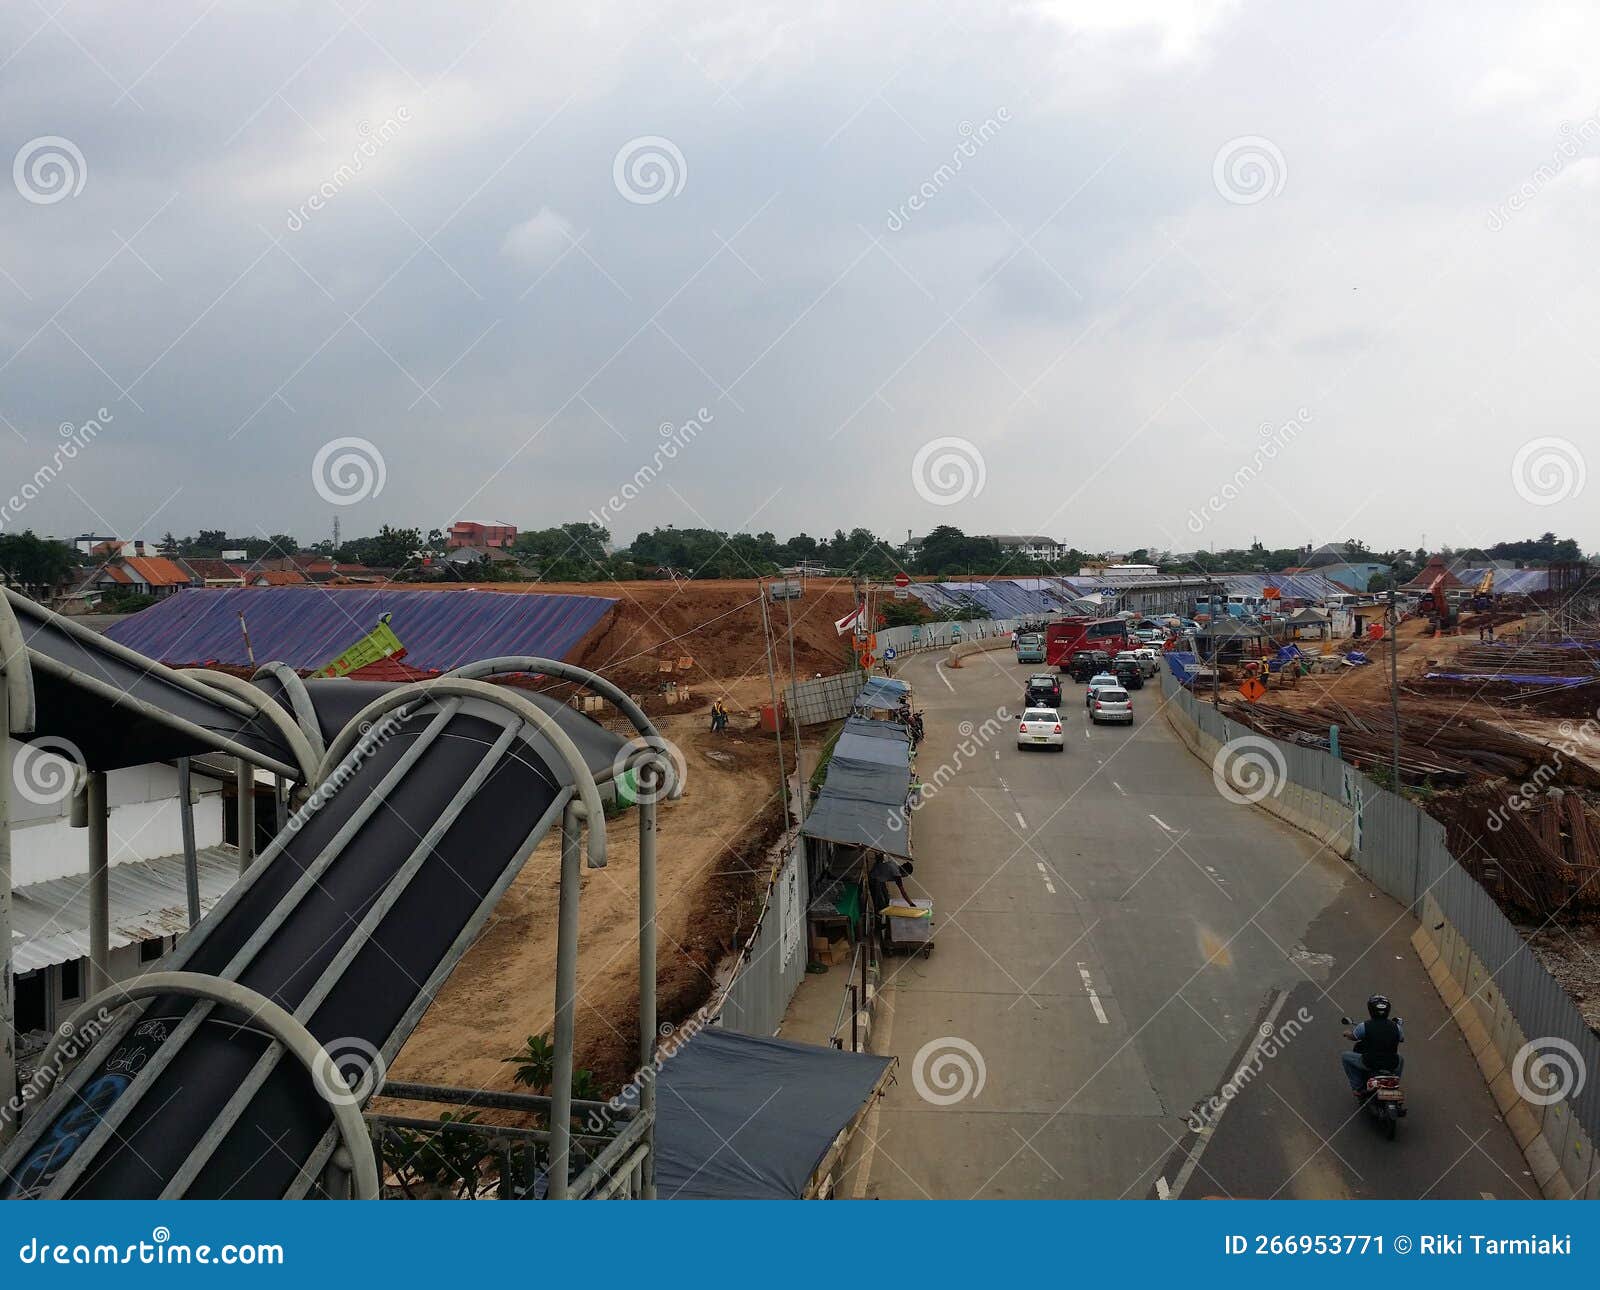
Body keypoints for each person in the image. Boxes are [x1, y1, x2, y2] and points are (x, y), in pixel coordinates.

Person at [1342, 994, 1404, 1094]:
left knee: (1345, 1056)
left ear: (1370, 1009)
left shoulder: (1364, 1026)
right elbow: (1401, 1039)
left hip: (1369, 1062)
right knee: (1400, 1058)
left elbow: (1354, 1037)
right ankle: (1393, 1081)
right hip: (1391, 1063)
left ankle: (1358, 1087)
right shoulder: (1397, 1027)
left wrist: (1346, 1033)